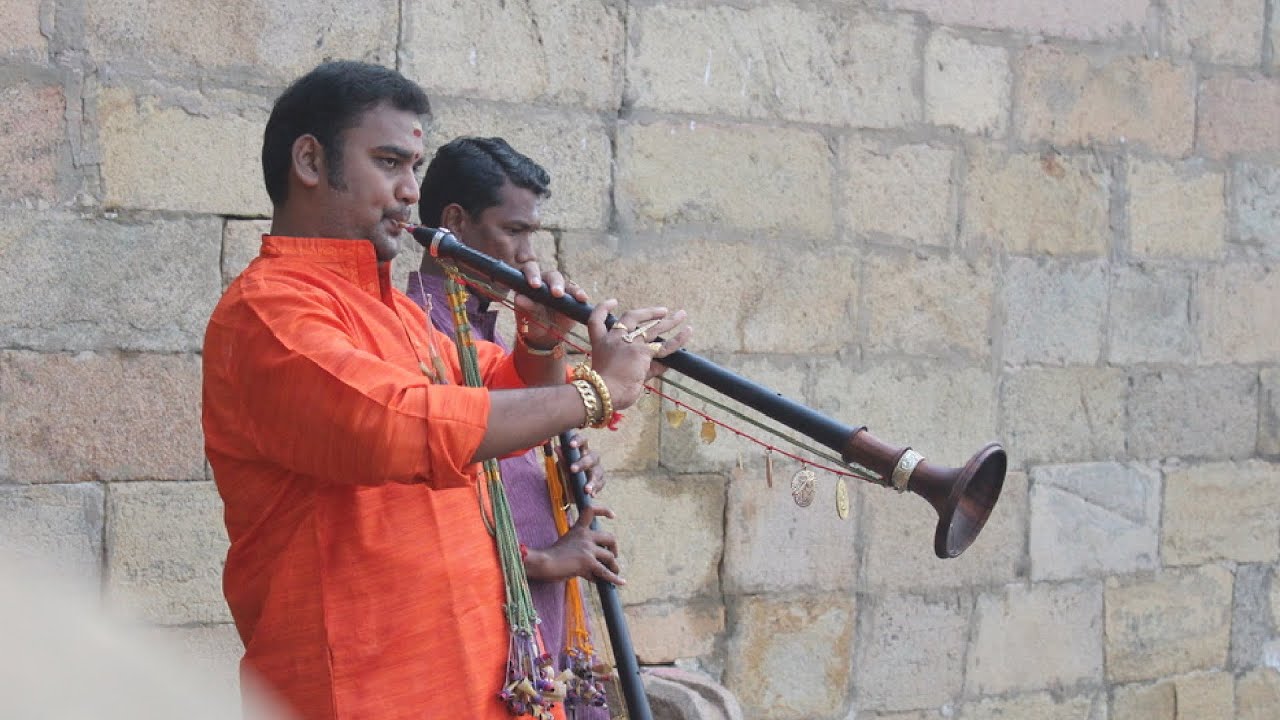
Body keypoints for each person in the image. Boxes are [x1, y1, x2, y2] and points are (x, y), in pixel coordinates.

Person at [201, 60, 690, 720]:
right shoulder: (269, 312)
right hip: (358, 691)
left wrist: (543, 342)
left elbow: (507, 394)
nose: (410, 192)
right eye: (389, 163)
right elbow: (396, 424)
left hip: (470, 680)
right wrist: (601, 391)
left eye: (414, 167)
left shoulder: (396, 315)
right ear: (310, 162)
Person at [409, 137, 617, 715]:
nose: (529, 256)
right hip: (482, 625)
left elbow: (506, 449)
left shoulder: (491, 328)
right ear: (454, 221)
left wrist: (557, 461)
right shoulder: (417, 332)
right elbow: (418, 511)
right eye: (514, 231)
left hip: (536, 609)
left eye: (534, 235)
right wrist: (544, 561)